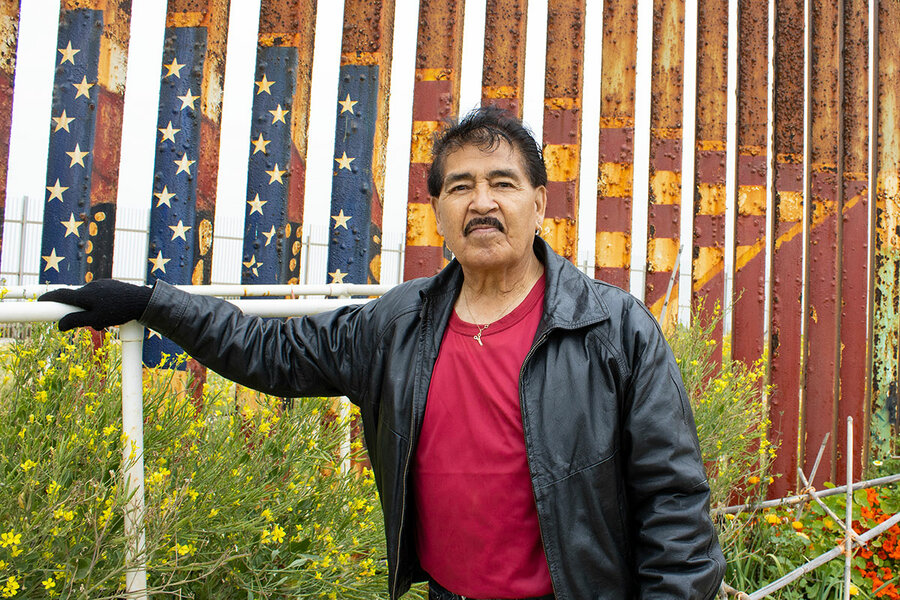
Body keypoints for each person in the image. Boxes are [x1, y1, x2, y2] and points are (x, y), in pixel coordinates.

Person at [41, 107, 725, 599]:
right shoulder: (398, 324)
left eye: (502, 183)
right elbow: (272, 350)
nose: (481, 202)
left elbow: (676, 509)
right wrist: (151, 302)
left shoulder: (614, 329)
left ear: (540, 203)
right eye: (460, 186)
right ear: (438, 212)